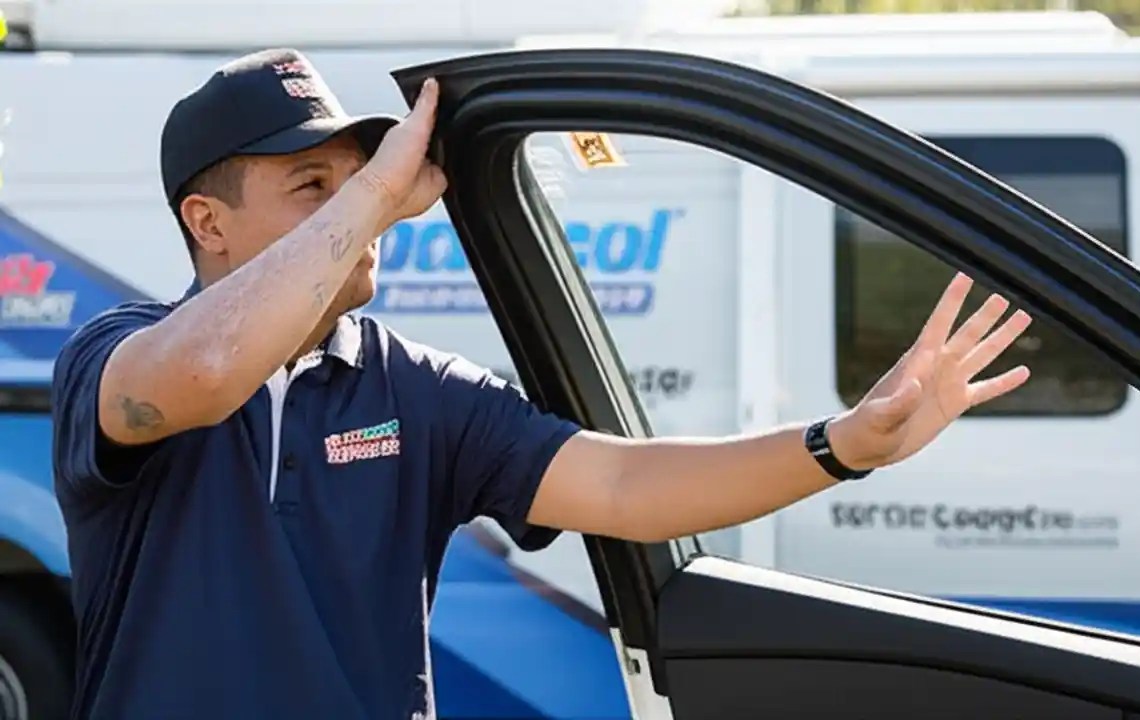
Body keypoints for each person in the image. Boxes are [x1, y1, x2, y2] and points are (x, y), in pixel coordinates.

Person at [50, 48, 1033, 720]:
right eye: (315, 183)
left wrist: (844, 444)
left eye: (361, 177)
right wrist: (375, 193)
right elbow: (211, 370)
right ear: (207, 223)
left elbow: (621, 489)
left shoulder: (413, 387)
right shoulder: (117, 353)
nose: (367, 207)